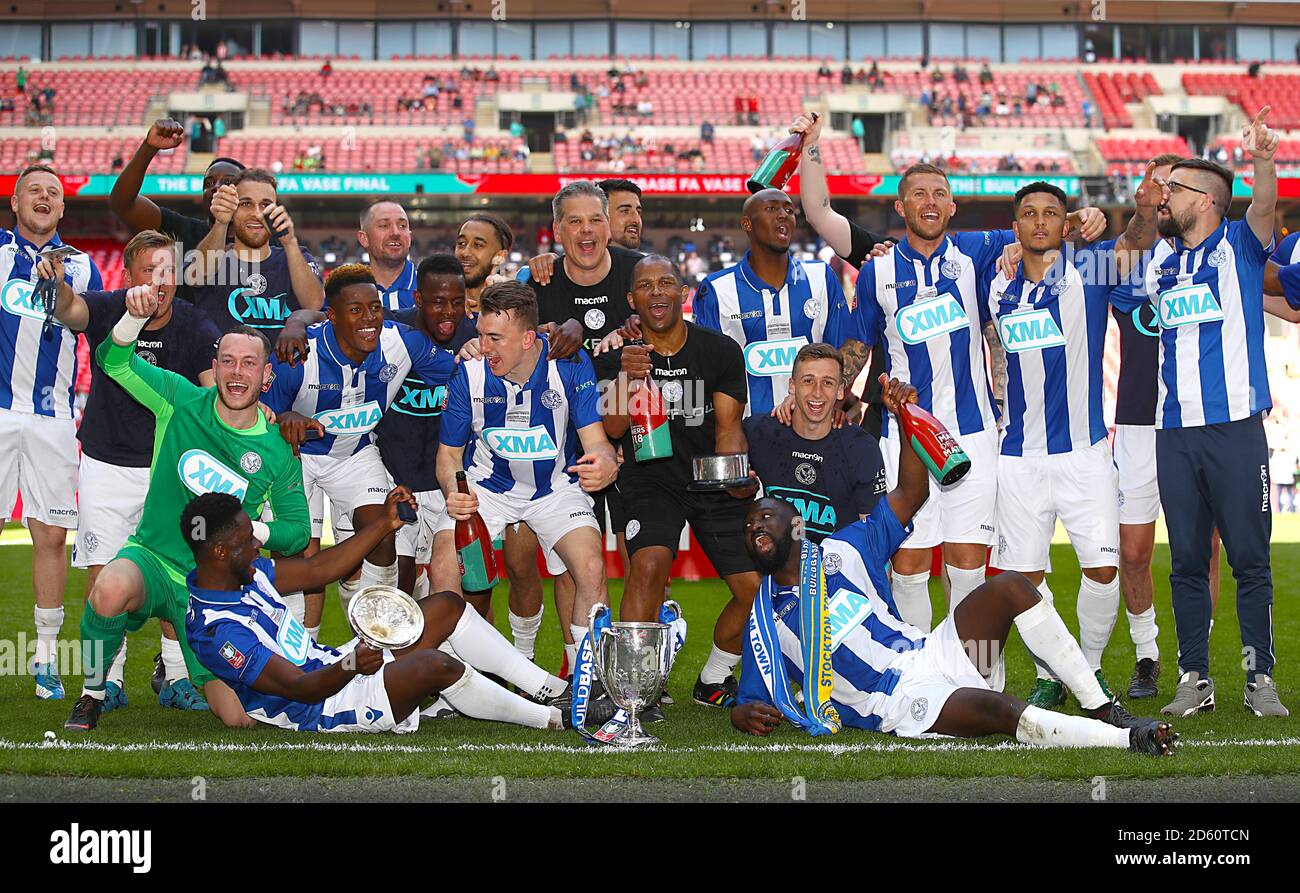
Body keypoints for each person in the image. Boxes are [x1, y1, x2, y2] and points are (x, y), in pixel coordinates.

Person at [731, 376, 1178, 757]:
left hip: (933, 651)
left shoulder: (843, 552)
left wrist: (906, 423)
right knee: (999, 710)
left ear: (796, 525)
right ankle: (1124, 739)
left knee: (1011, 586)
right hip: (900, 700)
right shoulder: (766, 621)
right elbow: (750, 697)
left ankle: (1099, 704)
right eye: (750, 524)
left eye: (765, 515)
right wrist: (741, 712)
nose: (755, 525)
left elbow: (910, 495)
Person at [846, 160, 1105, 633]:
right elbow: (856, 348)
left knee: (968, 568)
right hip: (905, 441)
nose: (930, 202)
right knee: (908, 567)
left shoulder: (976, 252)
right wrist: (832, 396)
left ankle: (977, 676)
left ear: (953, 206)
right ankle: (917, 674)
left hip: (975, 434)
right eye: (919, 194)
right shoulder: (876, 271)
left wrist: (1084, 217)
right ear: (900, 206)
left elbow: (1034, 234)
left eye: (939, 194)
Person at [1109, 109, 1288, 718]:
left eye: (1175, 188)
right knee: (1185, 561)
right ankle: (1195, 678)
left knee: (1250, 560)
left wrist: (1263, 160)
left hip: (1236, 430)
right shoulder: (1158, 263)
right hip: (1174, 433)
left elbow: (1263, 207)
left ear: (1208, 201)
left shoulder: (1239, 243)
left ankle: (1259, 677)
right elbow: (1100, 273)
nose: (1164, 195)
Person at [63, 292, 311, 732]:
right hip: (153, 559)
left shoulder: (278, 450)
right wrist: (131, 320)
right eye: (228, 361)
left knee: (239, 719)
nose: (237, 373)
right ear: (214, 368)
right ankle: (92, 693)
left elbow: (297, 532)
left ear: (266, 376)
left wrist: (250, 528)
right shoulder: (180, 400)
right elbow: (113, 362)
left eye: (249, 364)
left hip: (213, 594)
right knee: (108, 588)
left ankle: (193, 676)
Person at [182, 487, 591, 732]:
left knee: (447, 605)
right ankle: (552, 720)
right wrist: (350, 667)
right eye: (248, 540)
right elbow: (299, 689)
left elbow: (317, 568)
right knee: (434, 665)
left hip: (337, 666)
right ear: (219, 551)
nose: (258, 544)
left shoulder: (247, 574)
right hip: (323, 707)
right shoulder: (217, 631)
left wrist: (386, 522)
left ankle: (557, 692)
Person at [980, 171, 1165, 707]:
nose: (1040, 221)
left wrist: (1142, 206)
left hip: (1085, 454)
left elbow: (1137, 240)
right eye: (1030, 214)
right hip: (1018, 459)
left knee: (1104, 572)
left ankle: (1087, 668)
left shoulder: (1091, 268)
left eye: (1051, 213)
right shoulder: (995, 284)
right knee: (1025, 579)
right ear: (1016, 227)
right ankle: (1048, 675)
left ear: (1065, 223)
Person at [40, 230, 221, 712]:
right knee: (104, 574)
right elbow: (69, 311)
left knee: (178, 574)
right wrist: (56, 284)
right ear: (129, 276)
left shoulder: (195, 325)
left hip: (168, 473)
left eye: (168, 272)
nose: (160, 282)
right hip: (105, 462)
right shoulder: (106, 307)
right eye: (150, 271)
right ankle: (107, 681)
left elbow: (212, 394)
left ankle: (177, 678)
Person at [597, 256, 758, 708]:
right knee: (647, 568)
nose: (657, 292)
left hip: (711, 481)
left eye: (666, 282)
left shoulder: (721, 350)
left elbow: (728, 427)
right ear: (632, 300)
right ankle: (633, 694)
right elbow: (611, 429)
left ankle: (713, 677)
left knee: (756, 592)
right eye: (645, 285)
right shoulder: (616, 358)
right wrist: (628, 376)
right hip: (650, 482)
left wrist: (738, 475)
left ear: (682, 292)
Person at [433, 281, 617, 676]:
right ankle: (446, 677)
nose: (484, 347)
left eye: (495, 338)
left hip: (555, 489)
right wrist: (454, 489)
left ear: (529, 337)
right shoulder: (469, 374)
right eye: (481, 335)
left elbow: (596, 442)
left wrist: (605, 463)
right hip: (486, 488)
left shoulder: (568, 364)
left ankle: (589, 681)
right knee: (444, 566)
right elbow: (448, 455)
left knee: (590, 568)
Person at [262, 264, 457, 631]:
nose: (370, 319)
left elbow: (462, 370)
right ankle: (298, 654)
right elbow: (263, 413)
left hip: (354, 455)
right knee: (298, 553)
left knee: (382, 533)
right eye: (355, 311)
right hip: (295, 459)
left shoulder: (402, 343)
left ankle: (371, 638)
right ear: (331, 317)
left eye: (375, 308)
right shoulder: (299, 354)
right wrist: (283, 416)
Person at [1, 164, 105, 701]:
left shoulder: (85, 268)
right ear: (15, 203)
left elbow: (96, 330)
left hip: (53, 418)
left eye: (54, 194)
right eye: (33, 191)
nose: (44, 199)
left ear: (64, 210)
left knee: (49, 534)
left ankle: (44, 658)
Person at [692, 188, 852, 418]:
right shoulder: (717, 290)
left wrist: (834, 407)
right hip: (748, 436)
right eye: (771, 209)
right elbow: (707, 373)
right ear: (747, 223)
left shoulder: (821, 278)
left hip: (814, 432)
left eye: (789, 210)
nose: (782, 215)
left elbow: (842, 352)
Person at [373, 255, 479, 600]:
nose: (448, 312)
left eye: (457, 302)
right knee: (399, 581)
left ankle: (468, 654)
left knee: (467, 586)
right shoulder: (391, 330)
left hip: (451, 480)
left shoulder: (476, 336)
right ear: (418, 299)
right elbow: (327, 317)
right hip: (396, 476)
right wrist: (297, 324)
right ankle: (401, 654)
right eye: (437, 302)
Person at [744, 343, 886, 543]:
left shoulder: (861, 448)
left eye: (827, 383)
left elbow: (874, 534)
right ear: (792, 386)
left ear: (840, 390)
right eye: (808, 381)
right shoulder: (758, 432)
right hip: (778, 565)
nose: (817, 393)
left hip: (839, 566)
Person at [186, 168, 323, 341]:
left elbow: (314, 304)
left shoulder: (295, 256)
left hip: (279, 367)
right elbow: (196, 276)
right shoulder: (215, 257)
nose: (257, 214)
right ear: (232, 208)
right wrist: (221, 222)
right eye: (246, 204)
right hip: (223, 366)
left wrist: (290, 242)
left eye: (265, 205)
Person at [357, 200, 416, 311]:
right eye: (384, 225)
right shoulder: (346, 292)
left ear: (410, 236)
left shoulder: (429, 288)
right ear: (364, 238)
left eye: (402, 226)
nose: (395, 233)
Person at [454, 212, 514, 317]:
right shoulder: (437, 311)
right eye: (461, 243)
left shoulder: (514, 313)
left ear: (500, 256)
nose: (465, 253)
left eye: (478, 245)